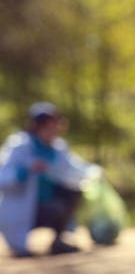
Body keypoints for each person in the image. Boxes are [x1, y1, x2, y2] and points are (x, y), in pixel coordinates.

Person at [0, 103, 91, 257]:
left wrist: (93, 174)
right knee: (21, 232)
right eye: (48, 126)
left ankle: (58, 241)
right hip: (20, 207)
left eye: (55, 125)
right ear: (36, 127)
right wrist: (27, 171)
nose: (53, 130)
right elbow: (3, 176)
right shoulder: (19, 146)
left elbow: (77, 170)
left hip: (48, 206)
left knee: (74, 192)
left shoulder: (58, 147)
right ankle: (19, 246)